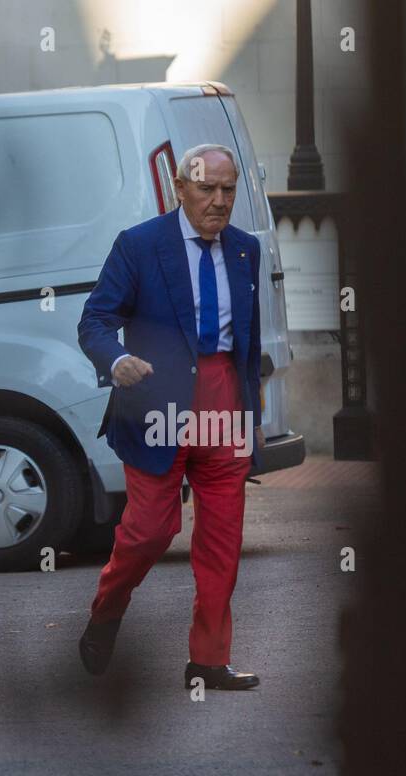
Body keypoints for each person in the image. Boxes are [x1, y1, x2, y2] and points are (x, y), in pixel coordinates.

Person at [75, 143, 266, 690]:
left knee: (223, 538)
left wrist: (250, 406)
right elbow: (94, 322)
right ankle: (106, 612)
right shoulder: (139, 246)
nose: (219, 200)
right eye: (207, 188)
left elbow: (244, 341)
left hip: (223, 402)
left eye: (228, 190)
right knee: (151, 530)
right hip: (155, 402)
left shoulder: (246, 251)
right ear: (179, 188)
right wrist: (116, 360)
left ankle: (208, 659)